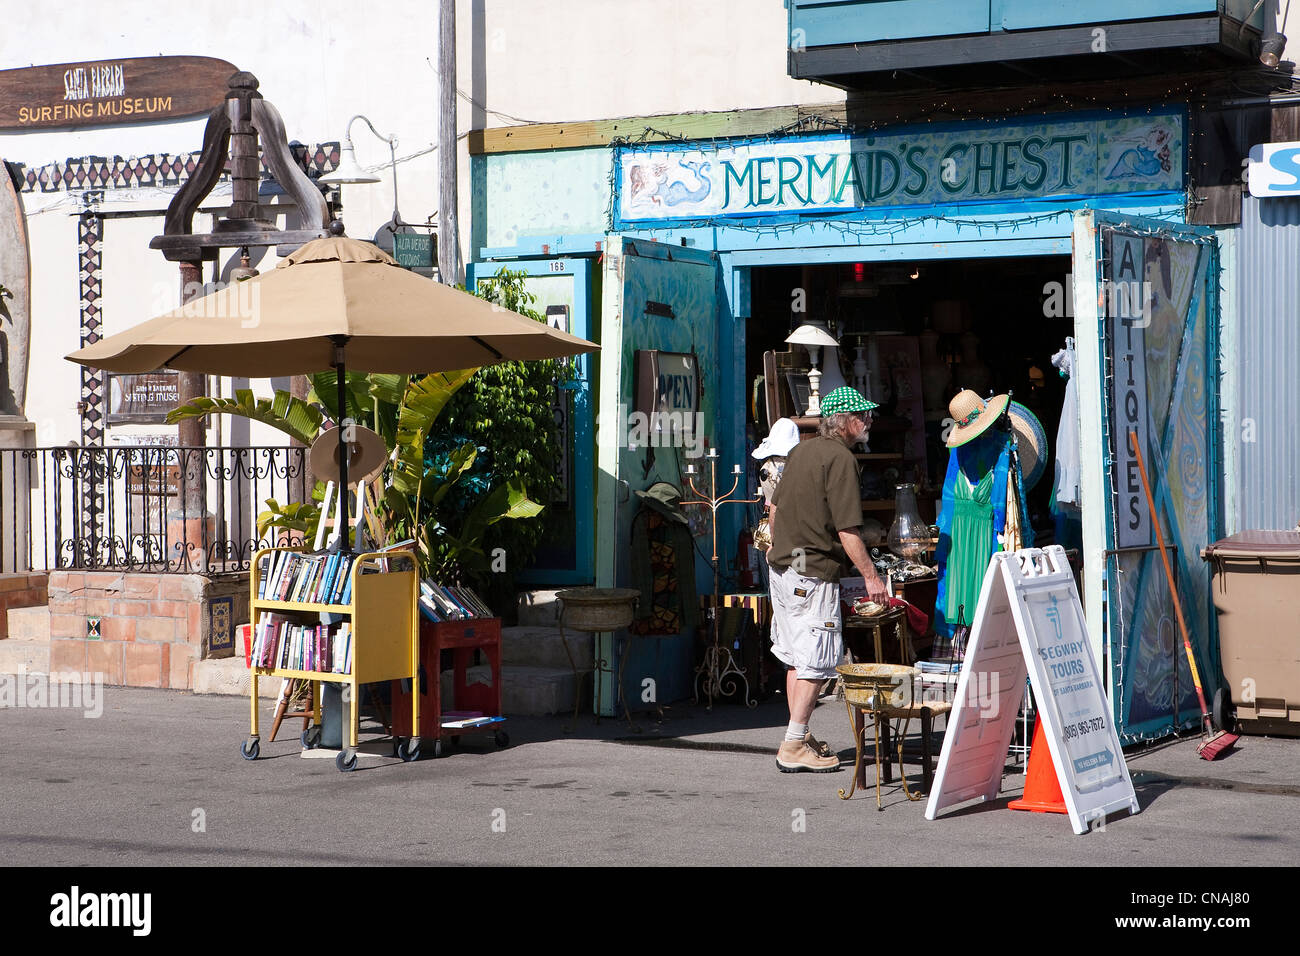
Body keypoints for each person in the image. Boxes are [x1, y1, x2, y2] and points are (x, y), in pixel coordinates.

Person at [766, 386, 890, 773]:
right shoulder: (840, 458)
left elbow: (774, 510)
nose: (869, 421)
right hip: (812, 573)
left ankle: (797, 736)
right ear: (845, 421)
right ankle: (792, 745)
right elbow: (848, 529)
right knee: (816, 662)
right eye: (864, 415)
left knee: (795, 657)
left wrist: (782, 549)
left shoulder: (801, 451)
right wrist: (872, 577)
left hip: (783, 569)